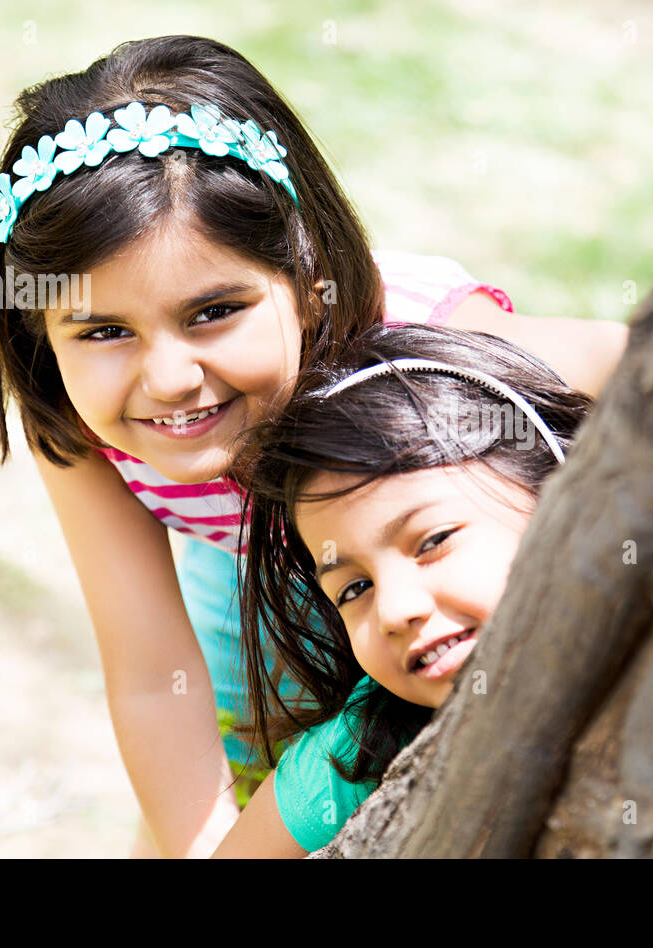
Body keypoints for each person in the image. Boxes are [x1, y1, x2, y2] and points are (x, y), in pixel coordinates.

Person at [0, 34, 627, 857]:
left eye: (212, 312)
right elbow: (149, 673)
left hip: (446, 568)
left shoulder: (425, 350)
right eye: (103, 329)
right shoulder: (75, 418)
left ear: (310, 285)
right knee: (241, 792)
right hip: (248, 576)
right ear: (43, 334)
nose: (168, 378)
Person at [214, 323, 592, 856]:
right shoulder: (357, 755)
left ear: (564, 500)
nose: (394, 610)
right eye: (354, 588)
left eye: (432, 541)